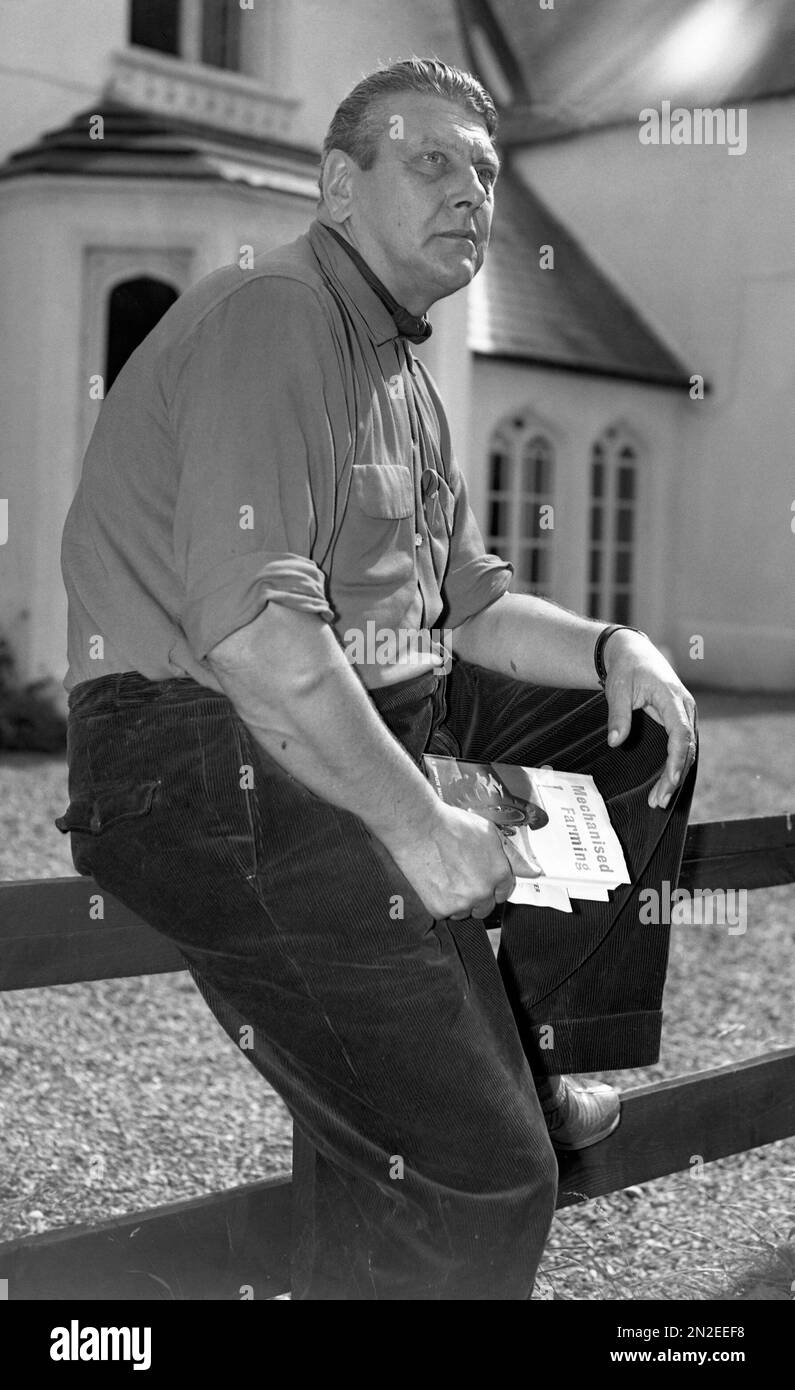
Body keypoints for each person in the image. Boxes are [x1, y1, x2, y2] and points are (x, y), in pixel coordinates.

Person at [55, 58, 698, 1300]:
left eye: (487, 172)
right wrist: (422, 829)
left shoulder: (404, 373)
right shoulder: (279, 312)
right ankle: (502, 1102)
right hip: (189, 745)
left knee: (627, 731)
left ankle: (531, 1049)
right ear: (340, 186)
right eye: (433, 161)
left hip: (358, 700)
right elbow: (251, 631)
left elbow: (479, 607)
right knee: (475, 1175)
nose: (472, 192)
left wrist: (618, 649)